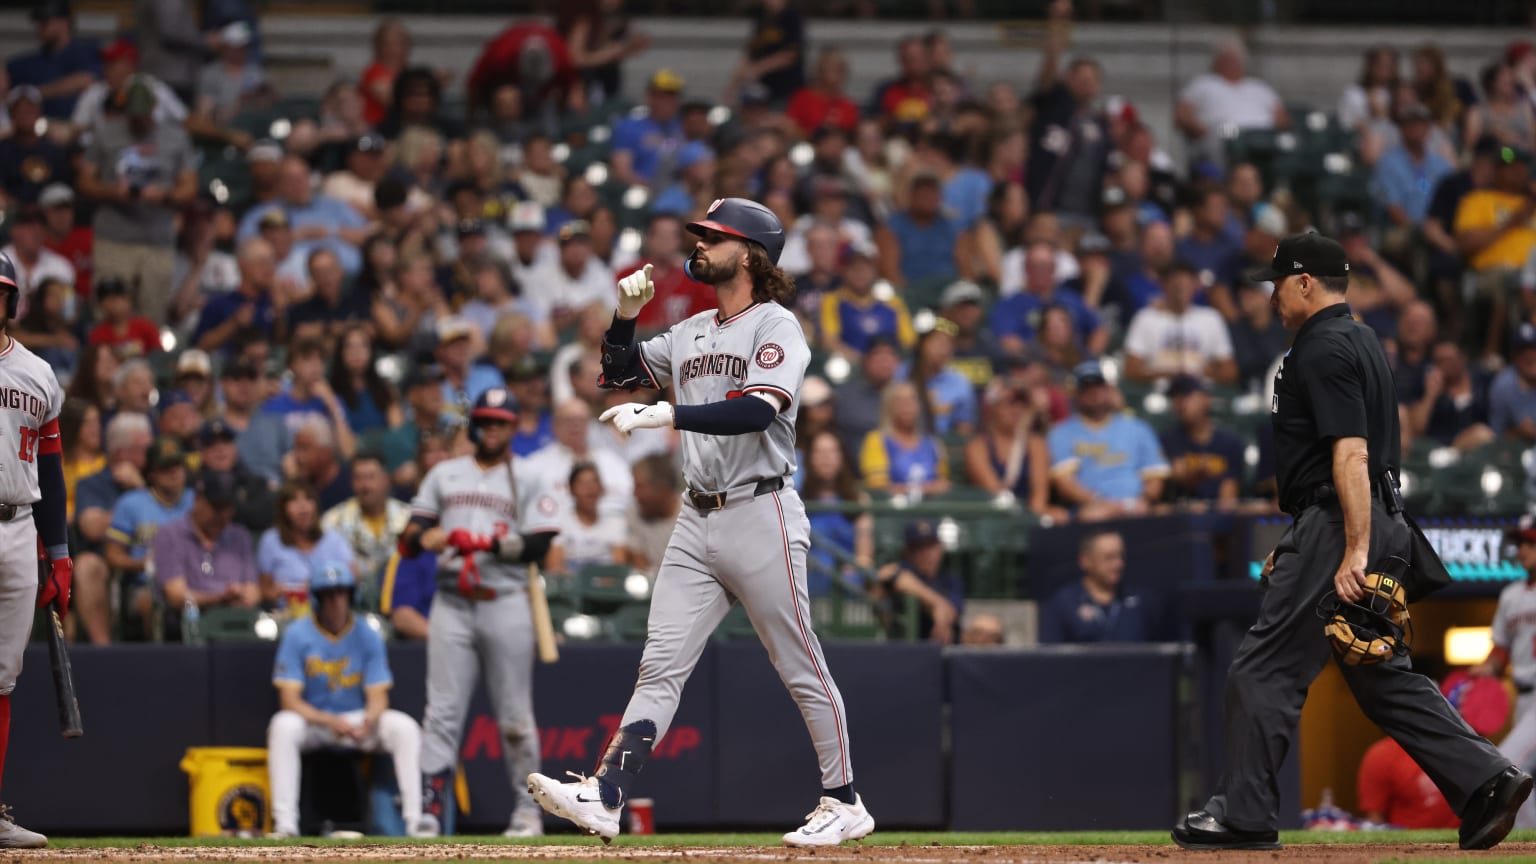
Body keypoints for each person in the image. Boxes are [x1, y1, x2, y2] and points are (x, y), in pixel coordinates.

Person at [528, 197, 875, 846]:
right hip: (697, 515)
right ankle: (606, 794)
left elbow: (756, 411)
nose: (701, 244)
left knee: (798, 662)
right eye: (701, 235)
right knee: (659, 663)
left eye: (714, 237)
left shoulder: (777, 326)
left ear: (748, 254)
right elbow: (617, 373)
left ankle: (844, 799)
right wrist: (624, 317)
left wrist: (669, 415)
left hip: (761, 509)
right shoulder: (690, 329)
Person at [1173, 233, 1529, 852]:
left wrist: (1351, 549)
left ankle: (1244, 815)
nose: (1272, 296)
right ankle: (1487, 779)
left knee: (1263, 668)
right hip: (1376, 515)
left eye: (1278, 283)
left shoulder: (1321, 346)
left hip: (1343, 519)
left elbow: (1351, 454)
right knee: (1381, 676)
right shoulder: (1363, 339)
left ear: (1305, 282)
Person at [397, 387, 562, 838]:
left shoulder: (528, 476)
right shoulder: (446, 473)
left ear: (512, 427)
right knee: (441, 714)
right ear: (475, 424)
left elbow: (542, 541)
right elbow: (409, 534)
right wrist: (423, 537)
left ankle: (528, 812)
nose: (492, 429)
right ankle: (430, 812)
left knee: (514, 717)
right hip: (452, 601)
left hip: (505, 599)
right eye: (486, 420)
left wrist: (489, 544)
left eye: (500, 422)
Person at [267, 562, 428, 839]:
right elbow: (289, 700)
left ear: (351, 595)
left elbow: (378, 695)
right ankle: (285, 825)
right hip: (316, 722)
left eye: (341, 593)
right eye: (328, 594)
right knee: (283, 725)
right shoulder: (298, 633)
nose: (336, 601)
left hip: (357, 720)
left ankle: (416, 823)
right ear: (318, 598)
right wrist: (329, 720)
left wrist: (369, 719)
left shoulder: (367, 633)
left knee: (405, 727)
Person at [0, 253, 70, 847]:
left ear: (11, 300)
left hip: (19, 523)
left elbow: (51, 465)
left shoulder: (37, 373)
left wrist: (60, 551)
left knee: (2, 675)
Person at [77, 77, 196, 325]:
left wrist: (165, 195)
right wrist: (113, 192)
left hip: (157, 239)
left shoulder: (175, 137)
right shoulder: (106, 133)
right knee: (108, 316)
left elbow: (190, 187)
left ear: (154, 107)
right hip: (114, 237)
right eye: (133, 113)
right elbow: (85, 181)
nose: (138, 119)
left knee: (152, 318)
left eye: (143, 113)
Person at [1470, 515, 1536, 828]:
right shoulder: (1511, 595)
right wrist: (1481, 672)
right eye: (1519, 543)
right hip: (1522, 699)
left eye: (1529, 542)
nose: (1521, 549)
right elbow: (1500, 655)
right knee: (1527, 777)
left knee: (1509, 767)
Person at [1048, 362, 1169, 521]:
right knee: (1092, 515)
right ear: (1076, 393)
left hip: (1136, 504)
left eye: (1098, 386)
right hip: (1091, 507)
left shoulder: (1137, 427)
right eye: (1086, 388)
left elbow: (1154, 476)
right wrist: (1100, 502)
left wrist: (1144, 501)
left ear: (1108, 389)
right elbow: (1066, 484)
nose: (1094, 392)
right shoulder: (1062, 432)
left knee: (1164, 513)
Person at [151, 468, 258, 639]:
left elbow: (253, 591)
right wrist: (220, 598)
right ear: (198, 501)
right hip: (188, 623)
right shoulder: (170, 535)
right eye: (217, 507)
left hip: (237, 623)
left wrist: (243, 597)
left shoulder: (240, 536)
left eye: (229, 507)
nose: (223, 514)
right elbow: (176, 596)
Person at [106, 436, 193, 625]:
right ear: (152, 473)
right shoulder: (131, 503)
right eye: (166, 467)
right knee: (148, 600)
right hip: (146, 584)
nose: (174, 473)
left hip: (193, 580)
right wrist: (142, 563)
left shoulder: (197, 502)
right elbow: (112, 555)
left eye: (178, 466)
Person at [322, 452, 410, 615]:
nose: (365, 485)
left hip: (401, 602)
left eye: (371, 477)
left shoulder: (408, 518)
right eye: (359, 478)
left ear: (386, 480)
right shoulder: (332, 521)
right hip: (351, 607)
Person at [1123, 261, 1237, 384]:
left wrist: (1199, 371)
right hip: (1158, 390)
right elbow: (1130, 370)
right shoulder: (1146, 318)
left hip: (1200, 388)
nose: (1180, 291)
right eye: (1176, 286)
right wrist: (1171, 373)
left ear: (1195, 285)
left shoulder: (1211, 318)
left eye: (1185, 285)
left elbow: (1230, 372)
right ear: (1163, 285)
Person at [257, 482, 354, 613]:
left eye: (308, 499)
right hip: (286, 614)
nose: (303, 507)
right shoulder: (271, 540)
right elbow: (264, 589)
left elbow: (354, 576)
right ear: (283, 508)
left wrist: (321, 583)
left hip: (329, 614)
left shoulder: (333, 539)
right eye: (294, 500)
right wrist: (277, 593)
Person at [1038, 530, 1148, 644]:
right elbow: (1050, 650)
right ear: (1085, 560)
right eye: (1109, 557)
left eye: (1121, 556)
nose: (1118, 564)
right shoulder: (1063, 602)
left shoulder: (1139, 601)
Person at [964, 380, 1053, 517]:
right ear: (993, 407)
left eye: (1023, 404)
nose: (1017, 410)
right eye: (1009, 403)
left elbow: (1039, 496)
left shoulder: (1036, 444)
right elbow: (993, 490)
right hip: (993, 516)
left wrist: (1033, 520)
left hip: (1029, 515)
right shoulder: (977, 447)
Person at [1159, 375, 1244, 509]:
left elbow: (1229, 493)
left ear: (1206, 399)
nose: (1181, 403)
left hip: (1218, 514)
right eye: (1175, 397)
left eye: (1186, 396)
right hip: (1180, 513)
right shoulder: (1168, 439)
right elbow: (1177, 475)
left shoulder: (1229, 442)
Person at [871, 519, 962, 644]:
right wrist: (937, 604)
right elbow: (892, 578)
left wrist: (935, 604)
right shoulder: (902, 570)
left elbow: (952, 613)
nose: (927, 554)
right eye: (920, 548)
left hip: (944, 647)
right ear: (908, 552)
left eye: (931, 546)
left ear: (940, 548)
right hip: (906, 648)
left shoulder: (950, 579)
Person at [8, 0, 101, 121]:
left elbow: (87, 79)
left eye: (45, 22)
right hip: (39, 127)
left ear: (64, 22)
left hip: (77, 126)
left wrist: (36, 94)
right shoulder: (29, 62)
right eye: (39, 22)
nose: (40, 27)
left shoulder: (85, 51)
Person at [858, 381, 949, 497]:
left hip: (933, 506)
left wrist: (904, 488)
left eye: (912, 400)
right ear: (888, 406)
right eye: (900, 401)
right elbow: (879, 486)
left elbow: (943, 484)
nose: (907, 406)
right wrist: (925, 489)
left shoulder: (933, 443)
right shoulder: (876, 440)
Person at [544, 462, 626, 574]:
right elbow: (555, 569)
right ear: (571, 489)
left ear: (602, 488)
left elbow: (619, 568)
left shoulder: (616, 522)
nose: (590, 489)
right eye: (583, 483)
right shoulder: (558, 524)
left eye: (594, 482)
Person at [622, 453, 679, 578]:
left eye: (640, 487)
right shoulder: (634, 513)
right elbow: (638, 561)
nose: (635, 493)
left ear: (663, 490)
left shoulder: (691, 515)